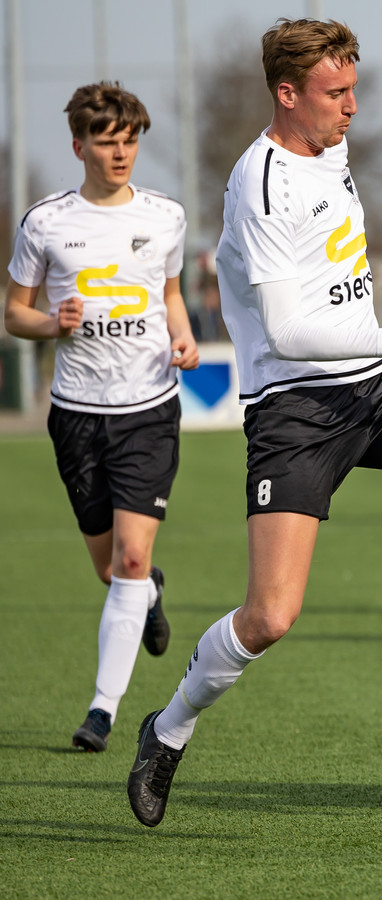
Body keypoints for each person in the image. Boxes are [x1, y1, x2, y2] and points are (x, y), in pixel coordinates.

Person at [126, 19, 382, 828]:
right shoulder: (263, 183)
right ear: (287, 95)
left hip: (372, 388)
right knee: (269, 618)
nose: (353, 107)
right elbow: (284, 330)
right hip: (296, 410)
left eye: (354, 88)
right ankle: (167, 729)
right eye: (336, 93)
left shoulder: (333, 150)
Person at [4, 83, 198, 753]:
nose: (121, 153)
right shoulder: (45, 223)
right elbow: (13, 312)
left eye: (131, 140)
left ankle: (101, 710)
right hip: (77, 416)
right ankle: (145, 594)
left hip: (148, 409)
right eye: (108, 141)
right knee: (113, 572)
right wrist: (47, 321)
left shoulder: (166, 215)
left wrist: (184, 335)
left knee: (133, 555)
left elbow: (171, 293)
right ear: (79, 145)